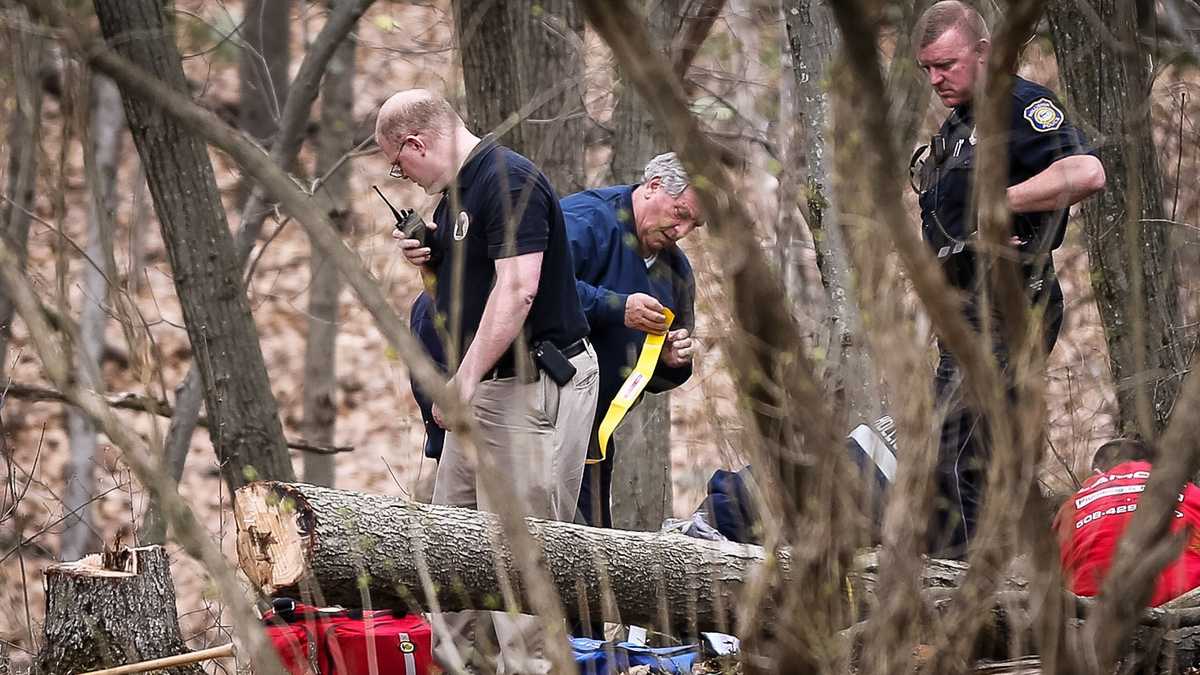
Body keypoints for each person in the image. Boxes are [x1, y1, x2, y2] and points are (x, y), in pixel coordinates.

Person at [377, 89, 600, 674]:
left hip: (532, 386)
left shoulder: (506, 181)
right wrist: (431, 260)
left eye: (397, 164)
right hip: (486, 391)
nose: (400, 175)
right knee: (451, 543)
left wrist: (463, 382)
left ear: (415, 144)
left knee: (521, 561)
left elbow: (518, 289)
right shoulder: (457, 197)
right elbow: (468, 293)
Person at [912, 1, 1107, 557]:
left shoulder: (1021, 106)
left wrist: (1004, 202)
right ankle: (984, 580)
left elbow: (1086, 171)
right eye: (927, 69)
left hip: (1010, 308)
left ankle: (962, 595)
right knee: (961, 455)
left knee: (957, 455)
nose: (936, 79)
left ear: (983, 51)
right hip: (966, 312)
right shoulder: (960, 124)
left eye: (946, 64)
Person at [562, 152, 700, 528]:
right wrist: (616, 307)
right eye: (680, 214)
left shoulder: (677, 273)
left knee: (591, 544)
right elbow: (534, 289)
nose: (681, 232)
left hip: (596, 433)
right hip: (538, 416)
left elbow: (648, 369)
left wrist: (671, 362)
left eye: (694, 225)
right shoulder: (586, 220)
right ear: (654, 186)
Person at [1055, 438, 1200, 606]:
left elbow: (1052, 569)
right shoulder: (1187, 490)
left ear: (1097, 472)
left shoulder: (1072, 505)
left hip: (1094, 615)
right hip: (1184, 604)